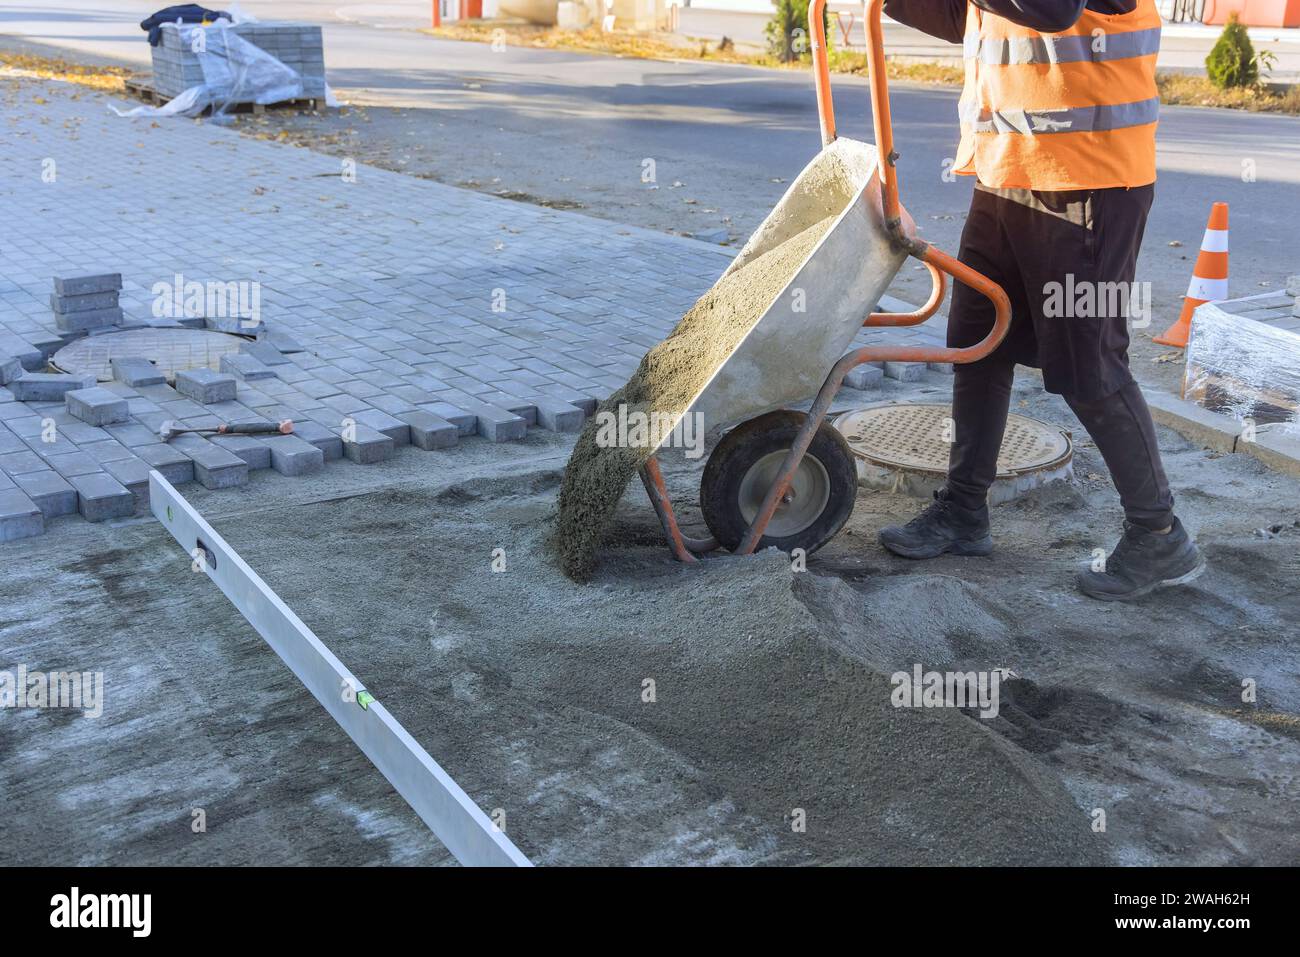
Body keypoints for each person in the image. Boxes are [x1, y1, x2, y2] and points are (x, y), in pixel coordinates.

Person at [876, 0, 1205, 600]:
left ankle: (1159, 533)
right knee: (978, 348)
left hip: (1088, 184)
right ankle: (964, 510)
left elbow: (1051, 10)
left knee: (1089, 368)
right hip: (1004, 177)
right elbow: (961, 17)